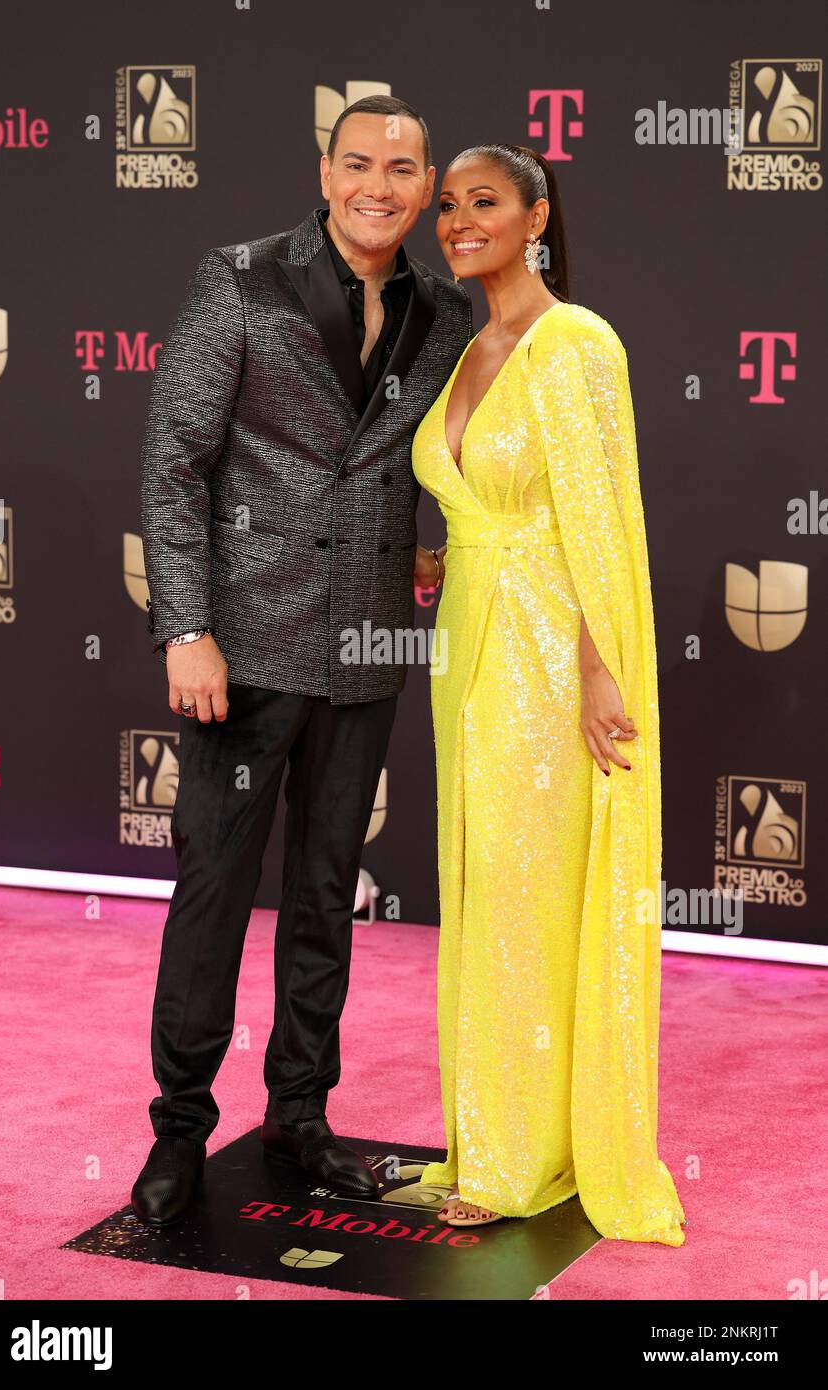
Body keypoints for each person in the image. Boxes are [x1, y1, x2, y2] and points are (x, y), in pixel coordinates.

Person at [133, 95, 471, 1227]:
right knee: (215, 895)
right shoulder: (240, 276)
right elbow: (176, 461)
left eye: (405, 169)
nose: (382, 185)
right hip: (241, 651)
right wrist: (187, 627)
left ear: (426, 188)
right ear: (326, 172)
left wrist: (431, 541)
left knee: (326, 901)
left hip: (369, 653)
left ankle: (300, 1119)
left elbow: (441, 455)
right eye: (361, 163)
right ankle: (180, 1131)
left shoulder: (449, 311)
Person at [411, 143, 687, 1245]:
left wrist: (597, 666)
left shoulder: (576, 343)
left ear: (536, 216)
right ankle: (489, 1134)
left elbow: (601, 524)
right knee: (482, 891)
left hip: (547, 662)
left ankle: (529, 1161)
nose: (457, 221)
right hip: (468, 643)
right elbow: (487, 501)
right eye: (447, 206)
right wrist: (441, 562)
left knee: (531, 893)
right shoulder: (468, 344)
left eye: (484, 202)